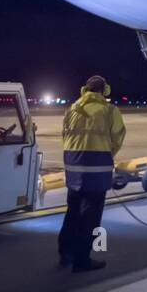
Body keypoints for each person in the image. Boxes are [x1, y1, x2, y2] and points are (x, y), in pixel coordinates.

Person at [58, 75, 126, 272]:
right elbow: (118, 137)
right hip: (96, 170)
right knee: (89, 217)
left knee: (72, 212)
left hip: (73, 169)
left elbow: (65, 136)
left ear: (84, 90)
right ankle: (81, 261)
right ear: (104, 91)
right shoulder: (109, 110)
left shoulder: (72, 109)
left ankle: (65, 253)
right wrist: (106, 154)